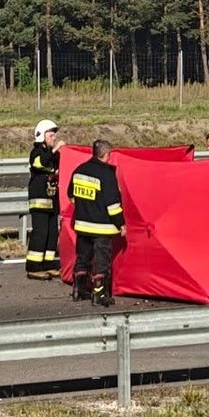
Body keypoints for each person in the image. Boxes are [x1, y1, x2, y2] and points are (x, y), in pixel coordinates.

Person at [67, 138, 124, 306]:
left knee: (82, 258)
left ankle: (78, 290)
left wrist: (86, 208)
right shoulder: (107, 174)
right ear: (107, 154)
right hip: (102, 227)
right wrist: (121, 224)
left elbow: (71, 195)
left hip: (82, 225)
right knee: (101, 261)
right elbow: (113, 205)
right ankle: (98, 295)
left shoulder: (79, 170)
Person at [25, 119, 62, 280]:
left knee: (52, 233)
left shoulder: (53, 154)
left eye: (54, 135)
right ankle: (33, 267)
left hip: (52, 200)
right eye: (51, 135)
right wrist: (55, 152)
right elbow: (40, 163)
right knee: (41, 233)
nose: (54, 138)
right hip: (40, 200)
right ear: (41, 136)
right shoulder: (37, 152)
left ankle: (48, 263)